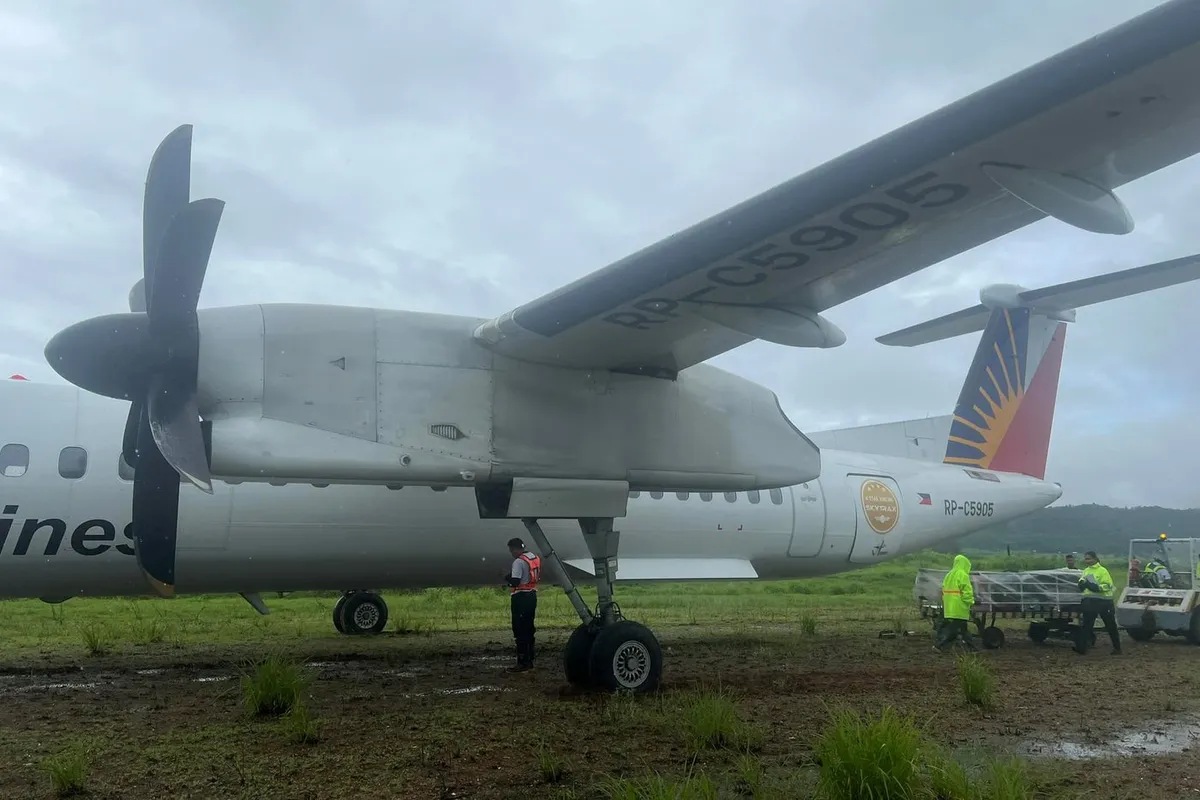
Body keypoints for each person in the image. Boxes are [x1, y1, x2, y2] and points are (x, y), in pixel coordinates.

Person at [503, 537, 541, 672]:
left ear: (514, 549)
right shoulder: (533, 557)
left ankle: (522, 662)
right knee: (529, 628)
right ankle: (530, 659)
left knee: (519, 630)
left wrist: (507, 578)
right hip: (532, 595)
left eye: (511, 550)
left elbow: (515, 582)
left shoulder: (518, 562)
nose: (511, 553)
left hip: (520, 597)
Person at [1075, 551, 1122, 655]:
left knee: (1110, 626)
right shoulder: (1086, 571)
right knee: (1087, 625)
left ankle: (1117, 648)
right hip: (1090, 602)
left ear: (1095, 559)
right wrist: (1082, 584)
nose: (1087, 561)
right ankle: (1082, 648)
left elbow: (1108, 585)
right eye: (1086, 559)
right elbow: (1082, 582)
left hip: (1104, 602)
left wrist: (1095, 587)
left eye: (1089, 559)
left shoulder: (1102, 570)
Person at [934, 554, 977, 652]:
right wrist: (971, 602)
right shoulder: (963, 575)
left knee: (963, 629)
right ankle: (939, 646)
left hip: (949, 607)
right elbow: (967, 592)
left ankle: (972, 648)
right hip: (959, 607)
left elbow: (943, 590)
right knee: (953, 631)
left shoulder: (949, 574)